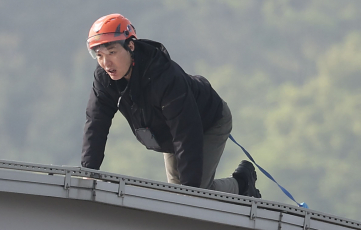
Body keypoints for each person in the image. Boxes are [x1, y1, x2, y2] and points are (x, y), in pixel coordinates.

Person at [80, 14, 259, 197]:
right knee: (176, 195)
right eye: (99, 55)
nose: (106, 63)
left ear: (131, 46)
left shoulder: (163, 76)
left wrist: (190, 190)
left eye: (112, 52)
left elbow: (186, 132)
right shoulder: (104, 78)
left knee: (196, 193)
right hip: (169, 131)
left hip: (209, 121)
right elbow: (96, 121)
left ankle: (243, 184)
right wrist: (89, 172)